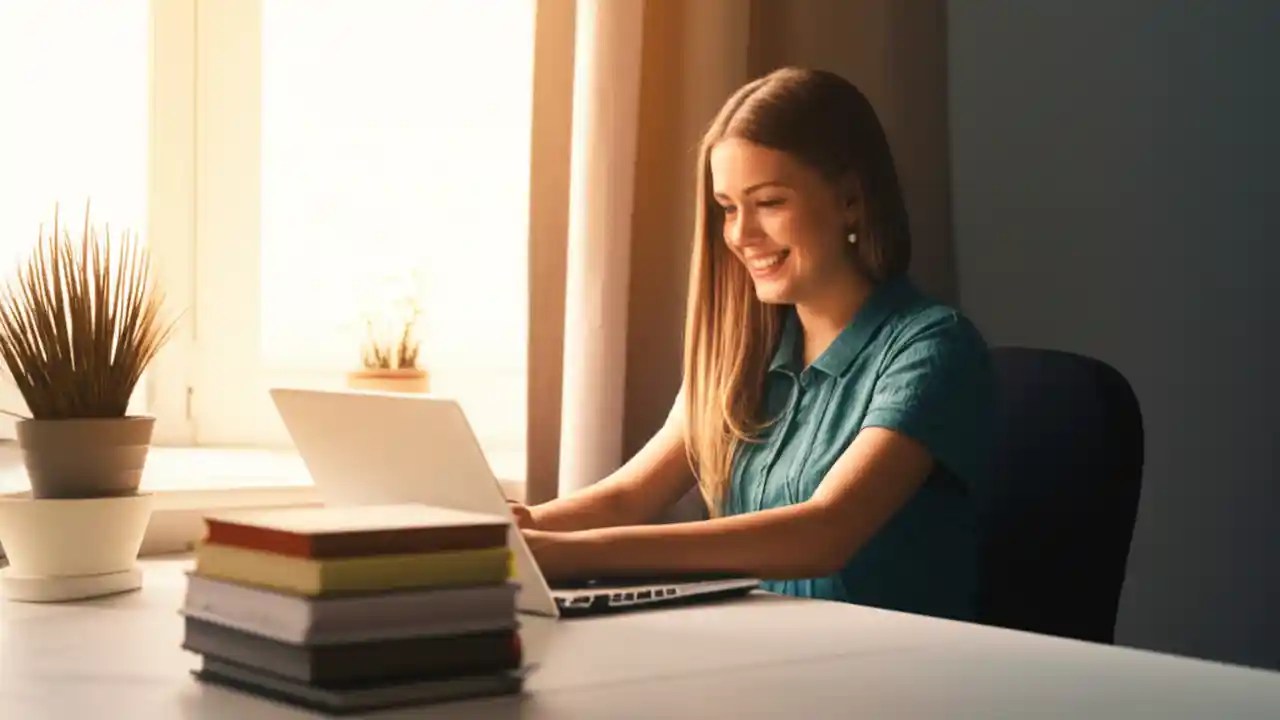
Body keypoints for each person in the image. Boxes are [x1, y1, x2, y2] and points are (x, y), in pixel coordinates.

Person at [514, 67, 995, 622]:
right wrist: (506, 529)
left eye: (768, 202)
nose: (741, 234)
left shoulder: (932, 348)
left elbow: (825, 530)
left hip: (890, 679)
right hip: (758, 661)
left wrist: (576, 556)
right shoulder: (746, 352)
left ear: (851, 201)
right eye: (728, 207)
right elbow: (628, 497)